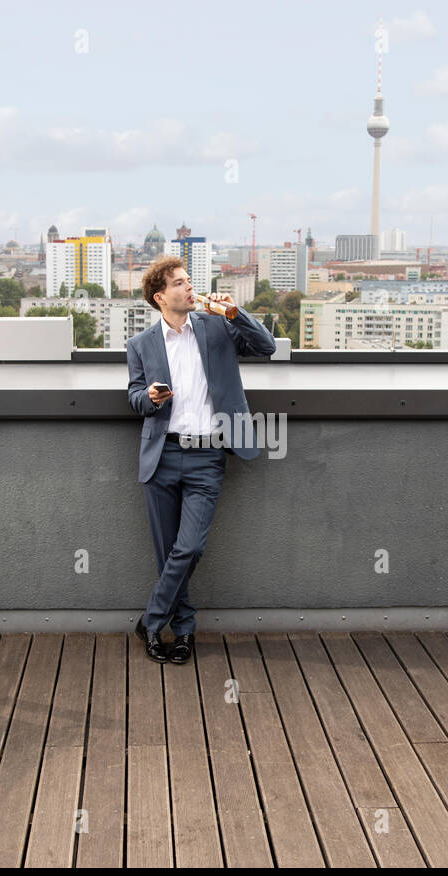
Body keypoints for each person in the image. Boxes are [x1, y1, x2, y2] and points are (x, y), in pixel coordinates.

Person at [125, 256, 277, 664]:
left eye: (190, 280)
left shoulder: (217, 327)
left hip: (207, 454)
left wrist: (235, 311)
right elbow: (134, 396)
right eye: (180, 283)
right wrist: (150, 398)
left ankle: (151, 622)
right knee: (167, 554)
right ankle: (184, 630)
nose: (190, 287)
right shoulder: (140, 345)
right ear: (160, 297)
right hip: (162, 455)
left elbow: (267, 347)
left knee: (189, 549)